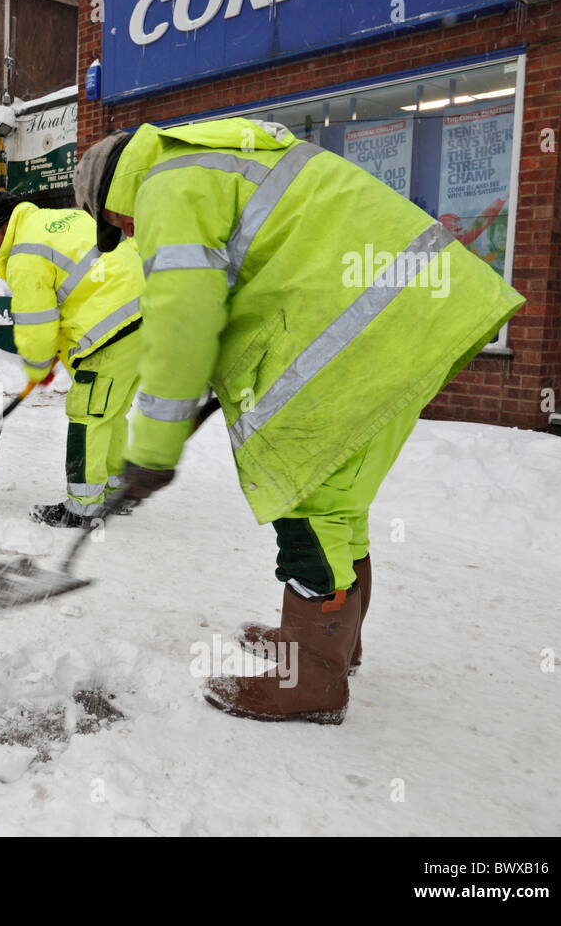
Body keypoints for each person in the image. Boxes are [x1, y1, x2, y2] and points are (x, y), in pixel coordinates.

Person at [74, 117, 525, 725]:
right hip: (411, 314)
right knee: (338, 496)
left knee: (305, 491)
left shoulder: (167, 183)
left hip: (372, 329)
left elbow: (181, 318)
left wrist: (152, 447)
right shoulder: (218, 161)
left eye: (118, 226)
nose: (129, 234)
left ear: (112, 199)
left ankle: (314, 677)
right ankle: (335, 644)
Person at [0, 190, 145, 527]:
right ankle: (114, 492)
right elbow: (82, 283)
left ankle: (82, 508)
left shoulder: (24, 252)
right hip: (146, 315)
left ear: (6, 226)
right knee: (109, 412)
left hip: (110, 328)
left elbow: (36, 322)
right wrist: (53, 351)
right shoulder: (64, 218)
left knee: (87, 414)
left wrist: (37, 364)